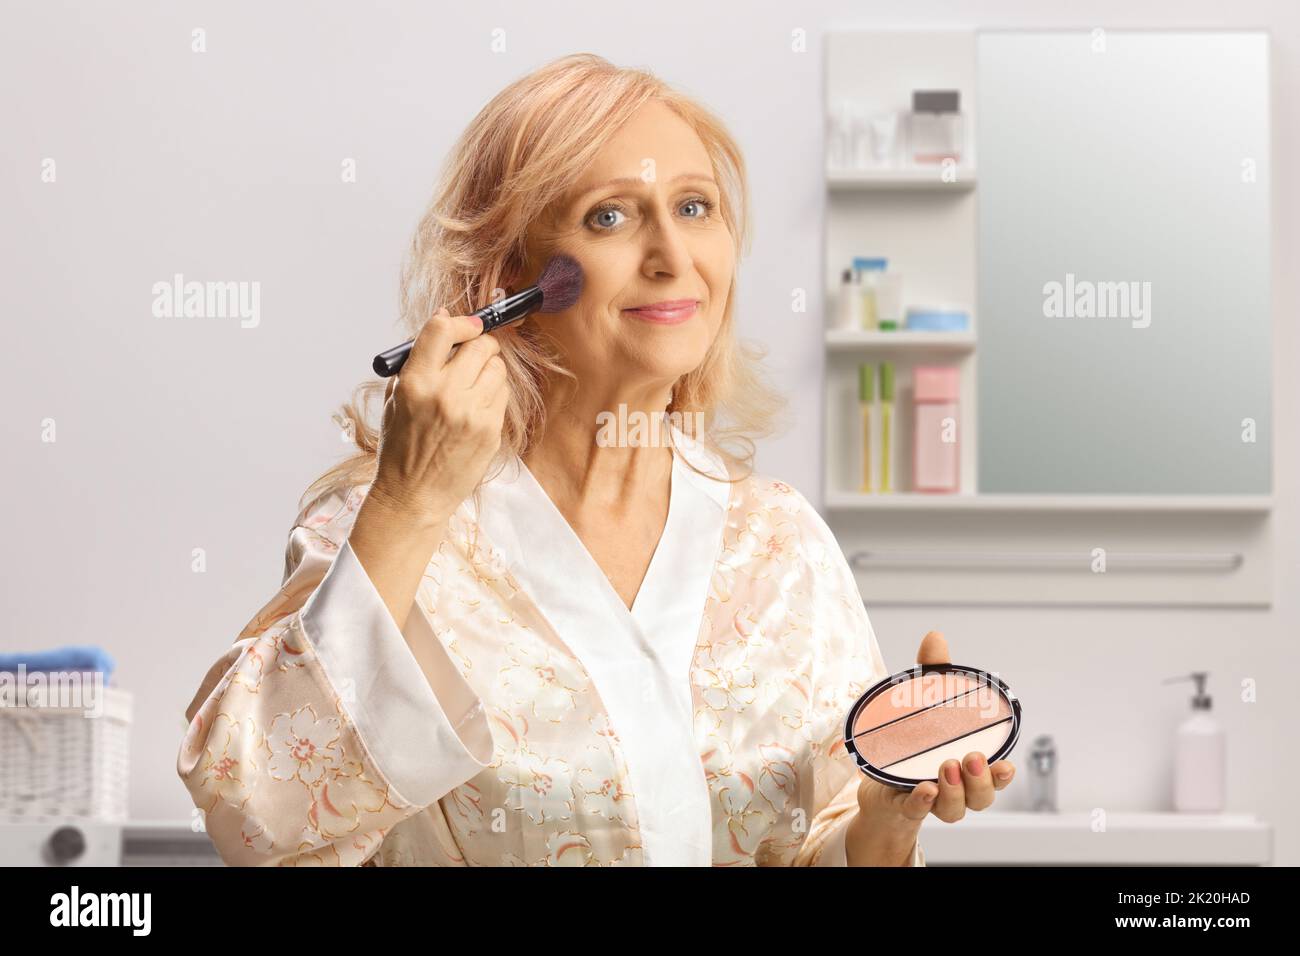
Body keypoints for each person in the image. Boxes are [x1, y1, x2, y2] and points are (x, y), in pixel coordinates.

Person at [177, 53, 1014, 867]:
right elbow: (254, 817)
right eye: (610, 217)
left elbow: (809, 844)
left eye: (695, 207)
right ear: (508, 276)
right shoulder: (391, 522)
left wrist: (882, 827)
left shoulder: (783, 544)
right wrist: (411, 500)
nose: (673, 257)